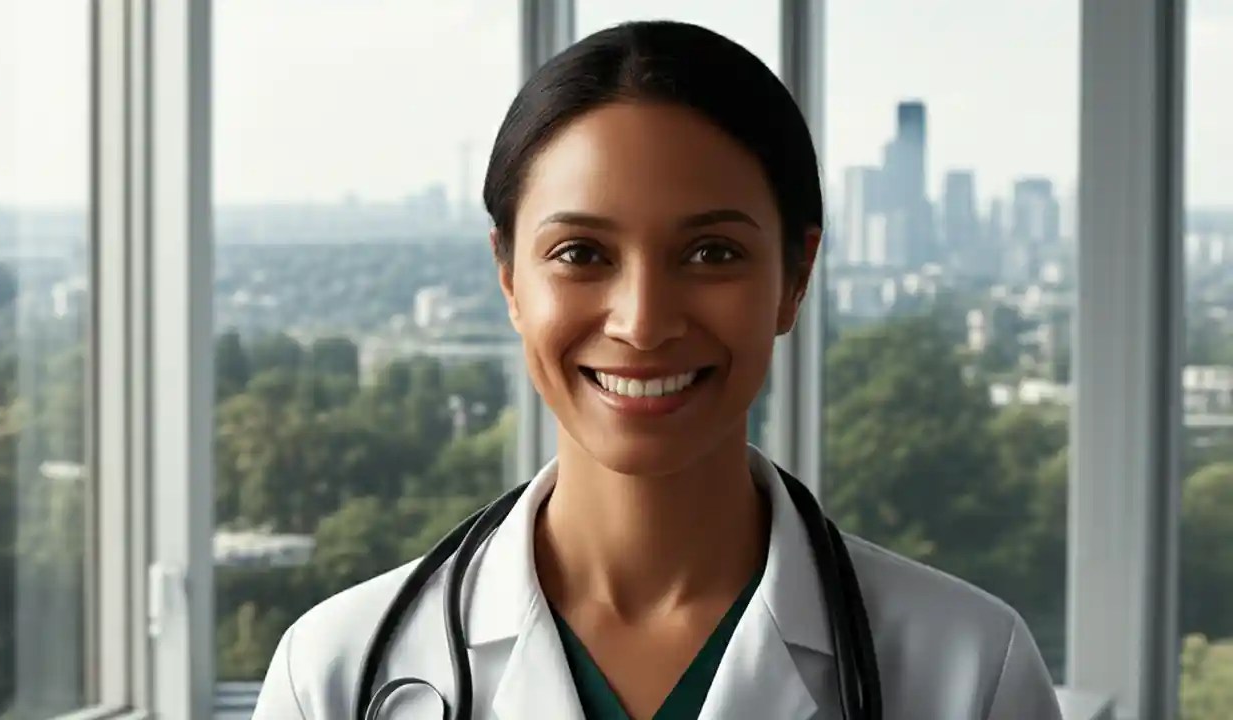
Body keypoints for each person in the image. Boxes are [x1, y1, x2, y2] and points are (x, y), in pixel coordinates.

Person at [252, 20, 1062, 720]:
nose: (642, 322)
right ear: (509, 279)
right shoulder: (337, 675)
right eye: (581, 254)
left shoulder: (969, 670)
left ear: (796, 277)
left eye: (712, 254)